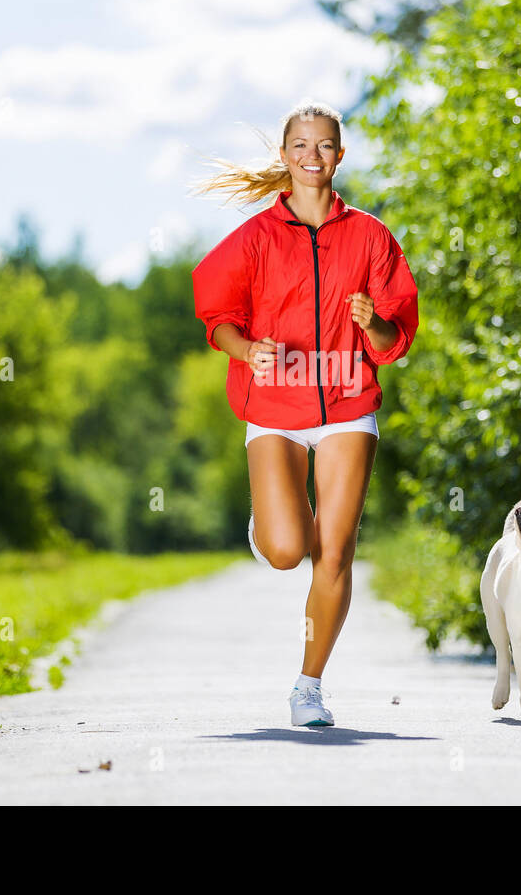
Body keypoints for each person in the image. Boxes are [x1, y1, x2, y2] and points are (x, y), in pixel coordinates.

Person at [189, 99, 420, 727]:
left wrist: (375, 324)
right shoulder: (256, 238)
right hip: (277, 405)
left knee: (336, 552)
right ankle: (272, 523)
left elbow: (396, 338)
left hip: (347, 401)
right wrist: (248, 349)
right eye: (301, 146)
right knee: (290, 548)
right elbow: (218, 316)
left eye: (324, 146)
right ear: (285, 156)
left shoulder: (370, 236)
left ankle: (308, 687)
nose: (312, 157)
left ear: (339, 157)